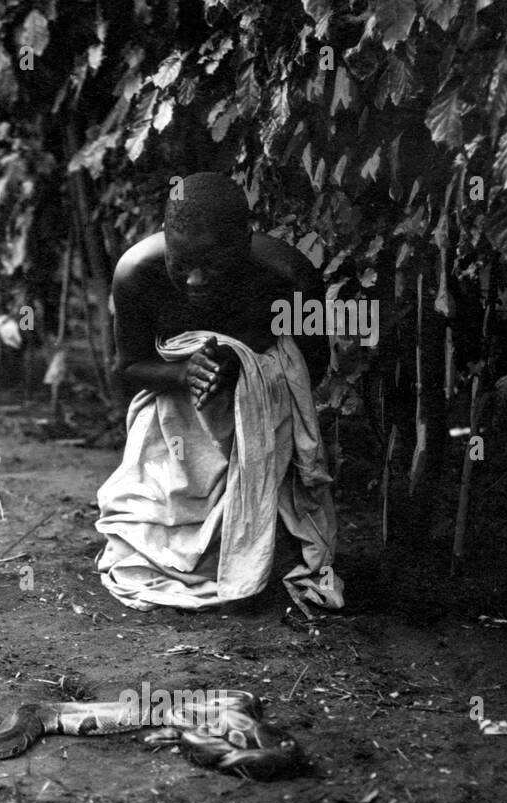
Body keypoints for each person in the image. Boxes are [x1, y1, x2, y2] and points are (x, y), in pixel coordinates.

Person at [95, 172, 343, 612]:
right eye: (181, 264)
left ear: (245, 242)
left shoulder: (289, 279)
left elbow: (311, 367)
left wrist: (251, 372)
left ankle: (255, 552)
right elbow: (128, 367)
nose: (193, 280)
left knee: (272, 551)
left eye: (210, 264)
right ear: (165, 242)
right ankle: (191, 553)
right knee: (163, 528)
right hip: (175, 416)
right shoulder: (137, 273)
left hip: (264, 414)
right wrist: (184, 373)